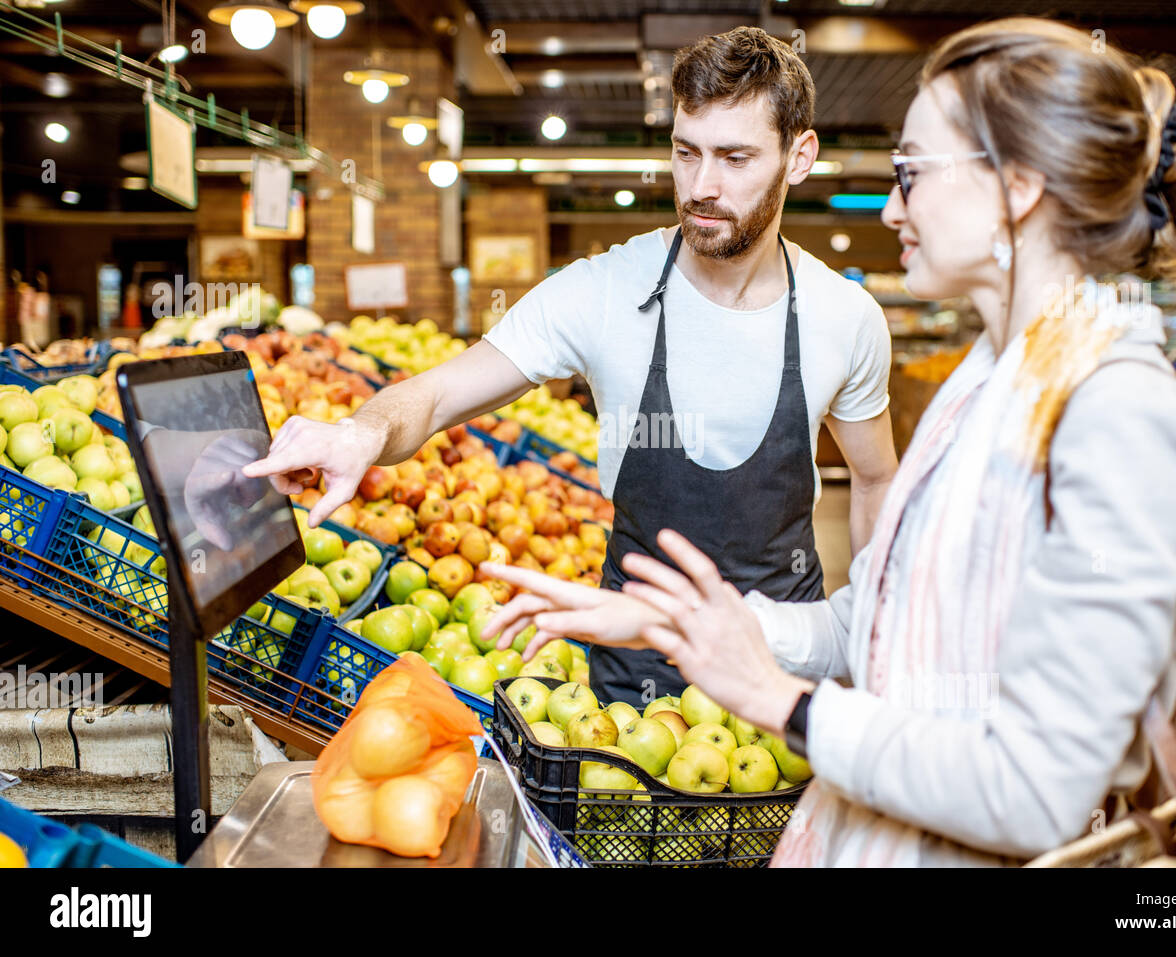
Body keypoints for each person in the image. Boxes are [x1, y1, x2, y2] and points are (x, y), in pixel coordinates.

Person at [479, 17, 1176, 866]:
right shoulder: (994, 382)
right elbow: (880, 621)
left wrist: (784, 704)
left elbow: (1037, 789)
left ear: (1018, 185)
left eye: (911, 174)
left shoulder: (1124, 421)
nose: (889, 207)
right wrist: (667, 620)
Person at [243, 26, 899, 707]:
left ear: (800, 156)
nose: (702, 186)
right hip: (634, 684)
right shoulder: (604, 291)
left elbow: (877, 478)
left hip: (785, 670)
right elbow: (438, 394)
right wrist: (362, 433)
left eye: (736, 158)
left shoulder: (842, 317)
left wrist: (875, 647)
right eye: (686, 152)